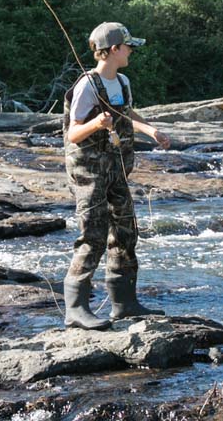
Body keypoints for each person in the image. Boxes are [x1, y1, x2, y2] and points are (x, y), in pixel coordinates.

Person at [63, 21, 171, 329]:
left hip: (117, 168)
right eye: (128, 47)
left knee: (125, 232)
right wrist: (97, 124)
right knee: (93, 235)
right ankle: (76, 309)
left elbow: (127, 115)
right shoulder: (87, 85)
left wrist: (151, 130)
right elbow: (73, 134)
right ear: (113, 50)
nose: (131, 51)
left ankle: (124, 304)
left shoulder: (122, 82)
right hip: (89, 172)